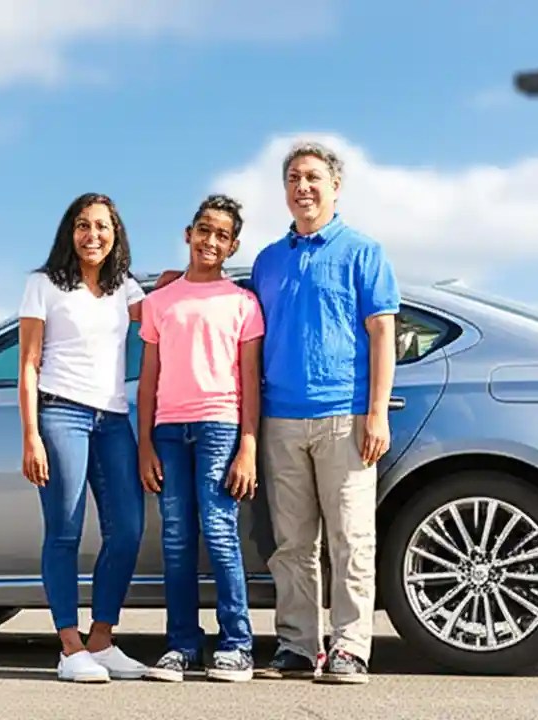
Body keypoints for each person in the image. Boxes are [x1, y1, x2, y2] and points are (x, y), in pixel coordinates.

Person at [250, 141, 399, 684]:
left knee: (351, 539)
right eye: (293, 178)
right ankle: (296, 645)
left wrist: (376, 413)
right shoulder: (268, 261)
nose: (302, 187)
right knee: (291, 543)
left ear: (336, 187)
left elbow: (383, 334)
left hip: (346, 416)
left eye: (313, 177)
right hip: (280, 420)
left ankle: (351, 647)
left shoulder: (363, 252)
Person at [17, 192, 150, 683]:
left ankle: (102, 640)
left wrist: (188, 282)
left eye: (102, 227)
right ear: (69, 233)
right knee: (66, 531)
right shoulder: (43, 284)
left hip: (113, 420)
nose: (92, 235)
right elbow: (29, 363)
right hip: (60, 415)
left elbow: (164, 318)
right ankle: (69, 647)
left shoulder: (125, 289)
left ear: (116, 235)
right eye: (83, 226)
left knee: (129, 529)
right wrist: (31, 435)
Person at [136, 194, 265, 683]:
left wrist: (248, 445)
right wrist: (145, 443)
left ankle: (236, 644)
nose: (210, 241)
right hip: (168, 430)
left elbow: (250, 380)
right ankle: (182, 646)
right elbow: (148, 379)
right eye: (203, 230)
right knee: (175, 536)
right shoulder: (160, 302)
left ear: (232, 246)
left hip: (220, 426)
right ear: (188, 233)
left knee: (218, 528)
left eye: (222, 235)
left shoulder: (242, 303)